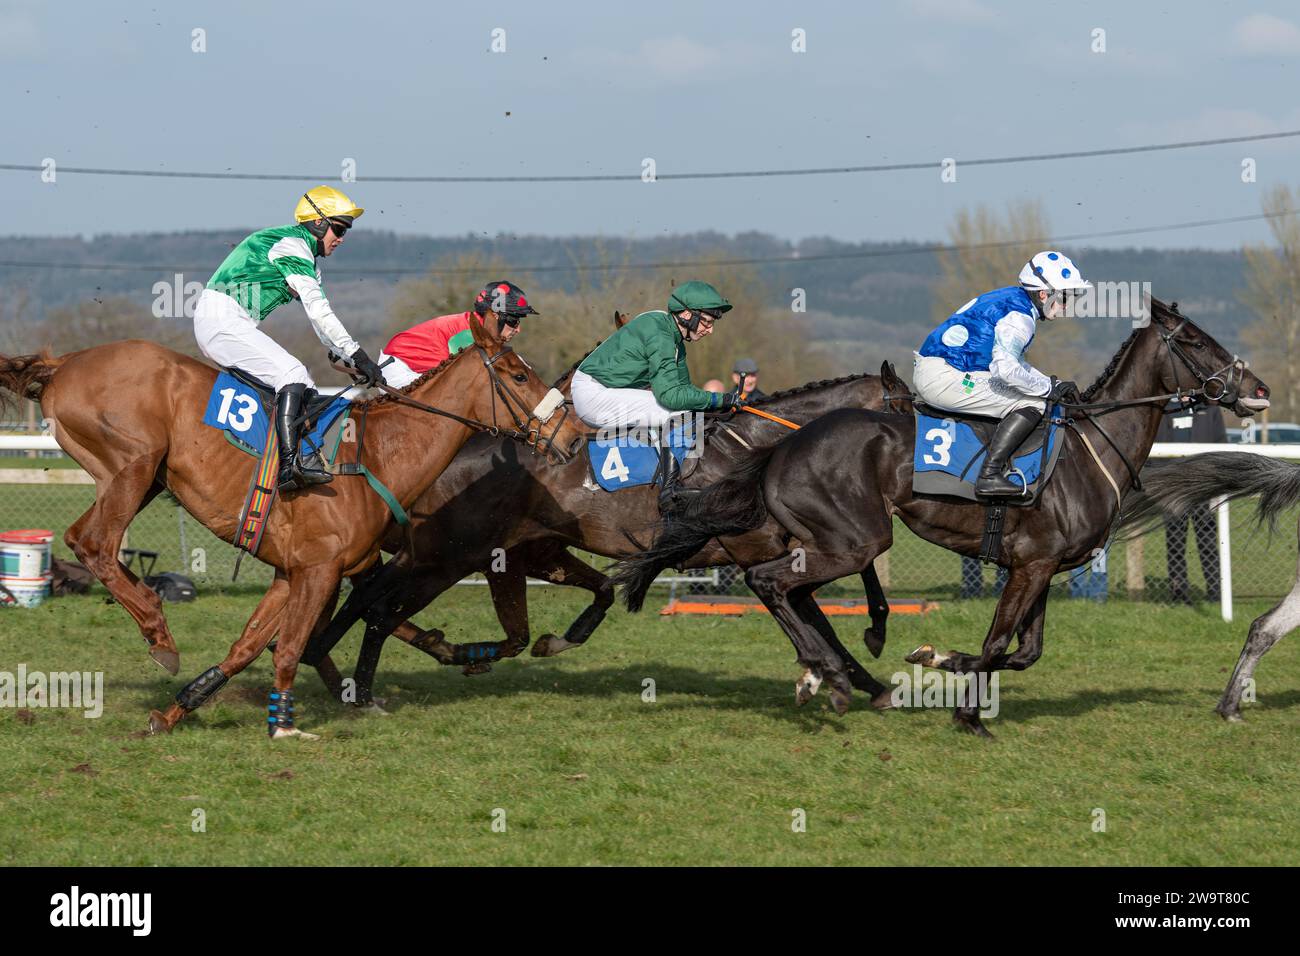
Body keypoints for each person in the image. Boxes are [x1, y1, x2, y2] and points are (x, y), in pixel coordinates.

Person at [194, 185, 384, 490]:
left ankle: (305, 458)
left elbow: (320, 321)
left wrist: (346, 358)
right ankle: (289, 467)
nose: (342, 238)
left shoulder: (306, 258)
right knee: (292, 373)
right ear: (318, 223)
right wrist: (360, 356)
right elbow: (320, 313)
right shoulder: (291, 246)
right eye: (339, 228)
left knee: (306, 384)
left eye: (346, 230)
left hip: (230, 321)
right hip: (221, 319)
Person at [913, 251, 1091, 497]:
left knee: (1037, 393)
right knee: (1034, 403)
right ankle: (989, 475)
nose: (1066, 305)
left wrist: (1053, 383)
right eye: (1063, 298)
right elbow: (1007, 370)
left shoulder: (1013, 300)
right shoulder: (1020, 318)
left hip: (944, 369)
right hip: (945, 376)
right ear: (1043, 294)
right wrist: (1049, 389)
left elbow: (1014, 365)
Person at [573, 280, 742, 509]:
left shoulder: (674, 339)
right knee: (678, 413)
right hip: (593, 394)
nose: (710, 330)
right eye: (707, 322)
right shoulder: (660, 333)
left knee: (688, 410)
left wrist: (718, 404)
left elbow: (686, 390)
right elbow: (670, 397)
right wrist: (718, 398)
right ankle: (669, 493)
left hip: (604, 390)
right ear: (686, 314)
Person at [379, 281, 538, 387]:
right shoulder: (467, 335)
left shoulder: (478, 328)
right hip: (399, 371)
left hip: (408, 367)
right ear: (496, 316)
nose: (518, 329)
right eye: (514, 321)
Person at [1155, 399, 1226, 604]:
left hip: (1203, 488)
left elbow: (1221, 447)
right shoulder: (1165, 410)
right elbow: (1155, 451)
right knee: (1176, 543)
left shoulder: (1210, 410)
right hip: (1174, 490)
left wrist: (1217, 486)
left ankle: (1215, 593)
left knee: (1207, 543)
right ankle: (1179, 594)